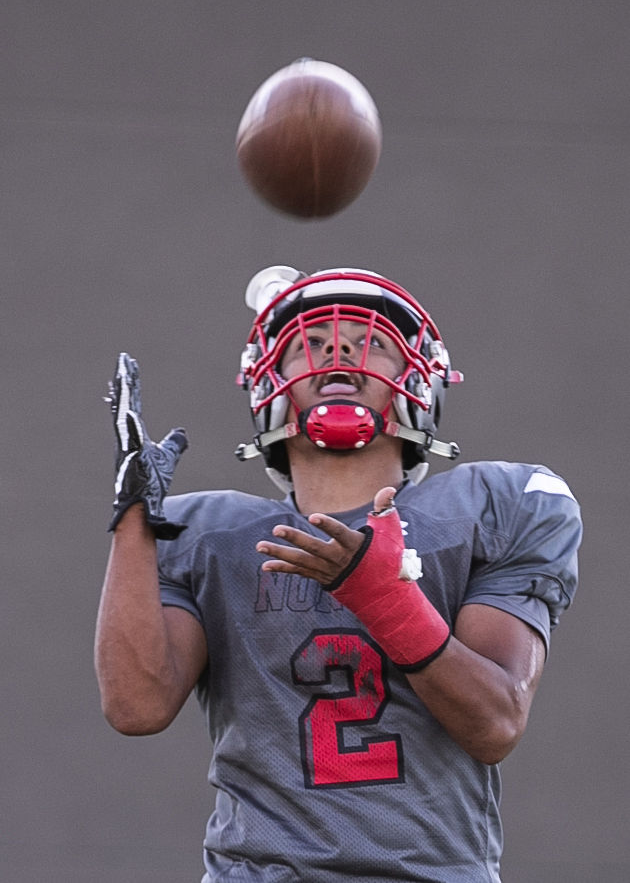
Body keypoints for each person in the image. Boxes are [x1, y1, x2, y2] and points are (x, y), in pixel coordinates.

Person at [95, 265, 582, 883]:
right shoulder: (205, 534)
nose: (339, 352)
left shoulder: (495, 508)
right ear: (268, 384)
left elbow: (495, 724)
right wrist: (133, 520)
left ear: (419, 381)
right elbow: (136, 707)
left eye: (371, 340)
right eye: (310, 344)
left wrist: (382, 597)